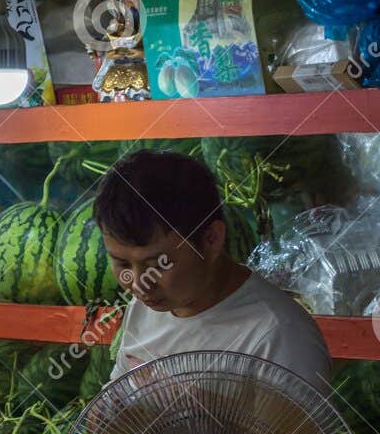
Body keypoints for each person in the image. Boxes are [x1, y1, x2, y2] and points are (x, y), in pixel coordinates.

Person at [94, 149, 331, 392]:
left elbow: (296, 431)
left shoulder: (280, 335)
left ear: (211, 239)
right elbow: (120, 396)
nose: (138, 284)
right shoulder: (143, 307)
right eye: (122, 264)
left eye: (157, 265)